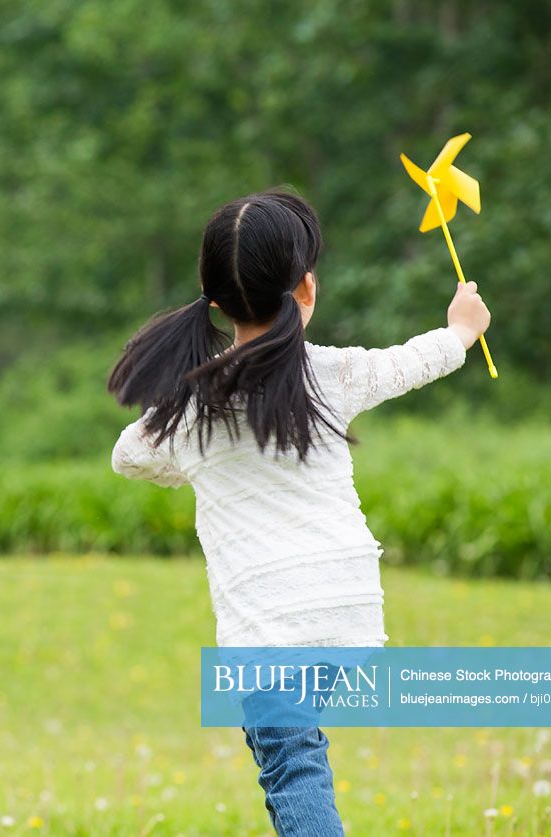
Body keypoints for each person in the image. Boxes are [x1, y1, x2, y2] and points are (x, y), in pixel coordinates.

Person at [106, 189, 491, 835]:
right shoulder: (331, 375)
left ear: (211, 294)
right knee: (288, 756)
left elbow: (128, 456)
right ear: (305, 288)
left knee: (291, 769)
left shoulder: (194, 406)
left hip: (268, 626)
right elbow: (409, 362)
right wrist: (461, 329)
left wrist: (196, 457)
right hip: (346, 609)